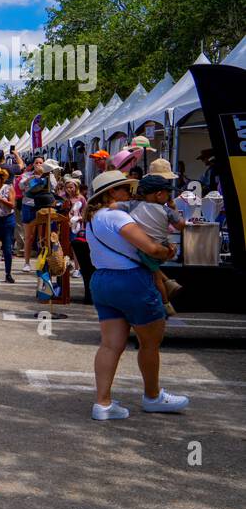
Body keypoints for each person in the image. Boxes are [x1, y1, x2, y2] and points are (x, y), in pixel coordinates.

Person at [84, 170, 188, 421]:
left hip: (101, 281)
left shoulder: (92, 219)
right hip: (132, 280)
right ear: (111, 193)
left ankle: (103, 403)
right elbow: (150, 247)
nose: (132, 193)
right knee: (150, 342)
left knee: (110, 344)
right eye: (125, 189)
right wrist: (167, 252)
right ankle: (152, 396)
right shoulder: (117, 216)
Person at [122, 173, 186, 314]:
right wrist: (173, 208)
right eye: (168, 194)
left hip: (146, 248)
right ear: (158, 195)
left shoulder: (133, 205)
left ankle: (166, 303)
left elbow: (114, 206)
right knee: (154, 269)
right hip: (163, 246)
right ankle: (169, 283)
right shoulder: (166, 210)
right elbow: (181, 225)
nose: (169, 196)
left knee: (155, 277)